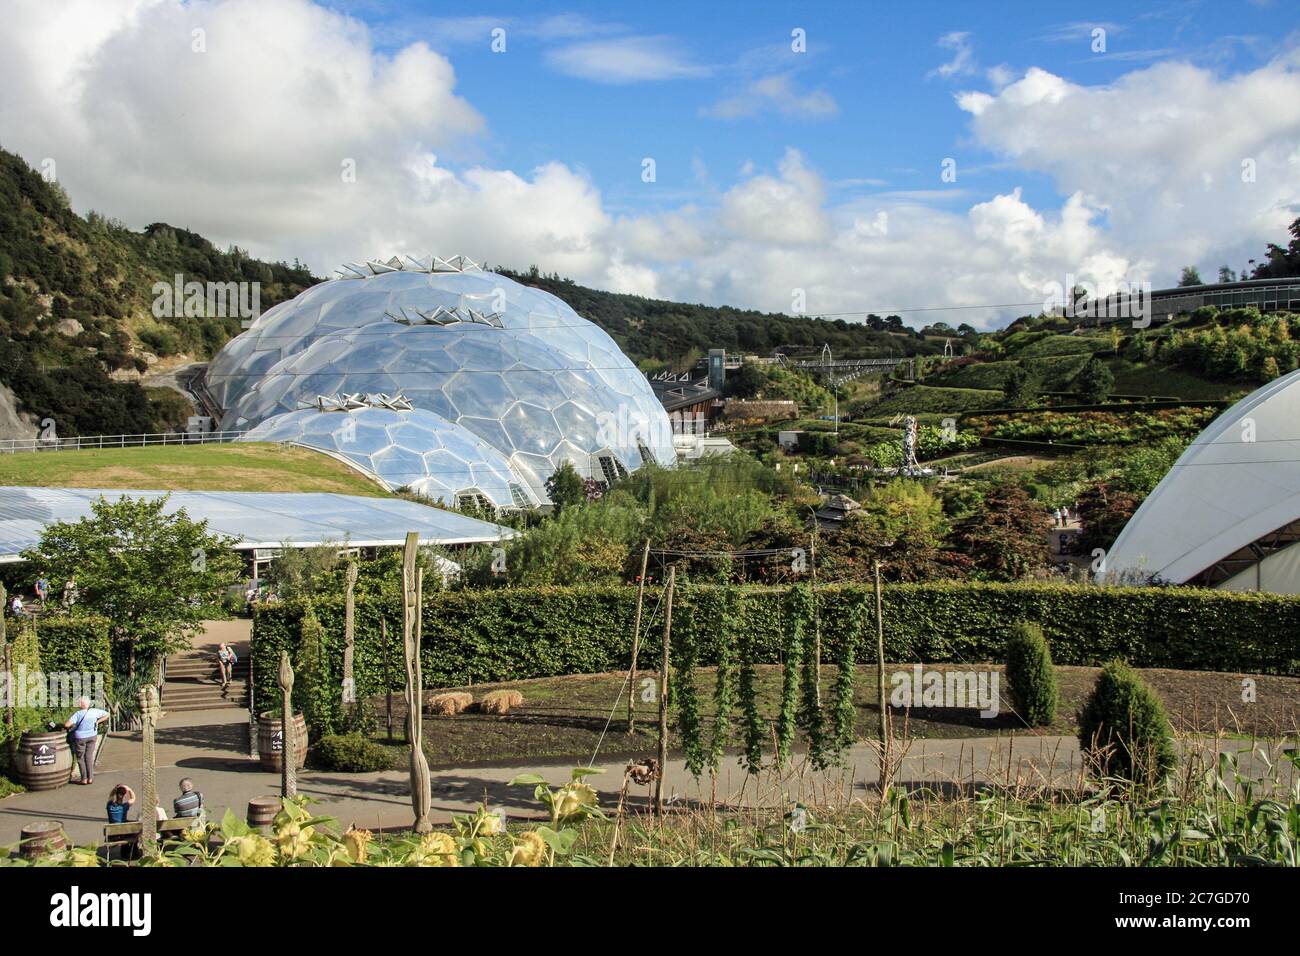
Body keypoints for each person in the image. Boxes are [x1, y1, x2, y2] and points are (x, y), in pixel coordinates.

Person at [63, 696, 110, 785]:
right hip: (92, 736)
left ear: (81, 704)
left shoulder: (78, 714)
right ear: (88, 704)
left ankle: (84, 779)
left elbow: (67, 725)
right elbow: (107, 714)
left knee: (80, 758)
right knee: (89, 757)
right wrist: (97, 722)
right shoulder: (95, 711)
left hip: (80, 738)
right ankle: (90, 778)